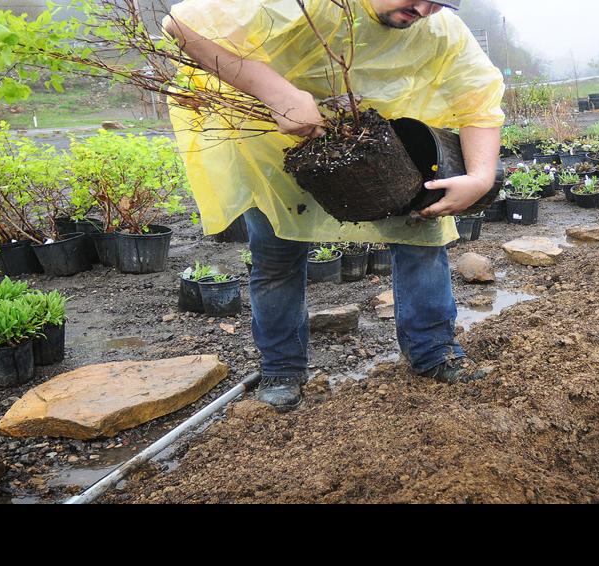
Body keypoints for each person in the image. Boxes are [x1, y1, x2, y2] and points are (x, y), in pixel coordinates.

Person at [162, 0, 504, 410]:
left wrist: (481, 176)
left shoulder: (441, 31)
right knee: (276, 256)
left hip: (383, 155)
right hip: (278, 149)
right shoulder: (308, 4)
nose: (423, 8)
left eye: (439, 1)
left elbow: (479, 96)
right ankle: (282, 369)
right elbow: (180, 24)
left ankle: (433, 353)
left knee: (423, 244)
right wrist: (278, 92)